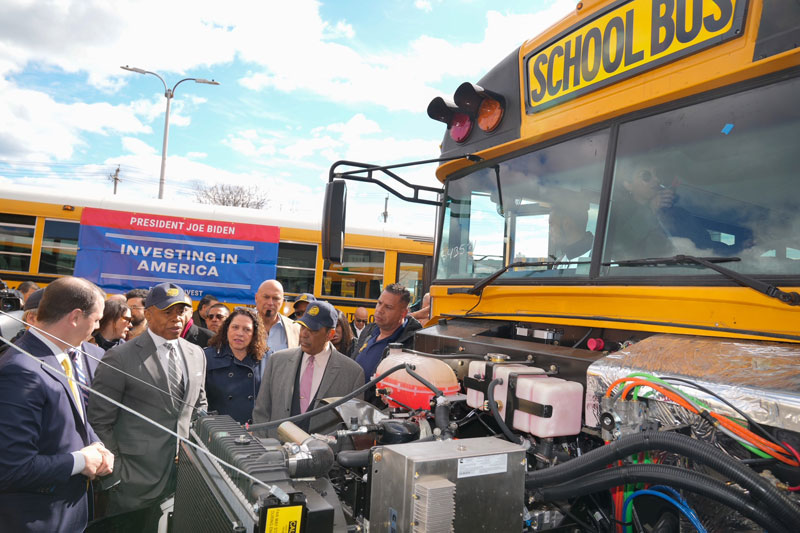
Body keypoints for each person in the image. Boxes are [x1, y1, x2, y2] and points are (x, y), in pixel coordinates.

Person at [0, 276, 113, 533]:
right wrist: (81, 461)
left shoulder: (60, 356)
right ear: (75, 317)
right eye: (96, 320)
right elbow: (11, 467)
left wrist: (94, 444)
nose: (96, 328)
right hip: (35, 520)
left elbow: (71, 419)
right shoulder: (21, 370)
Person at [88, 282, 208, 516]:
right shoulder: (119, 357)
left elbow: (199, 407)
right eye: (168, 311)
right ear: (148, 314)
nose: (177, 318)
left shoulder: (197, 353)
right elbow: (99, 421)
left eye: (182, 310)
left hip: (183, 480)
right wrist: (117, 475)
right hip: (133, 485)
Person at [252, 301, 364, 438]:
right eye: (303, 327)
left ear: (330, 334)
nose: (304, 334)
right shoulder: (277, 361)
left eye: (313, 330)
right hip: (276, 454)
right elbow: (261, 412)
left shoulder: (352, 373)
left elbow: (353, 430)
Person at [353, 284, 422, 400]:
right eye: (379, 303)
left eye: (388, 307)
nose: (380, 310)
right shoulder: (369, 330)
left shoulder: (413, 343)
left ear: (403, 313)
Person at [204, 307, 267, 425]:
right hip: (219, 431)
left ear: (254, 334)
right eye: (235, 327)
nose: (240, 333)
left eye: (247, 329)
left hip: (255, 432)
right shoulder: (207, 357)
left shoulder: (267, 359)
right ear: (227, 329)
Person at [255, 279, 300, 355]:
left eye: (276, 298)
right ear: (256, 298)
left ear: (282, 301)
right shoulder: (240, 325)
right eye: (266, 297)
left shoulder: (295, 329)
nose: (270, 303)